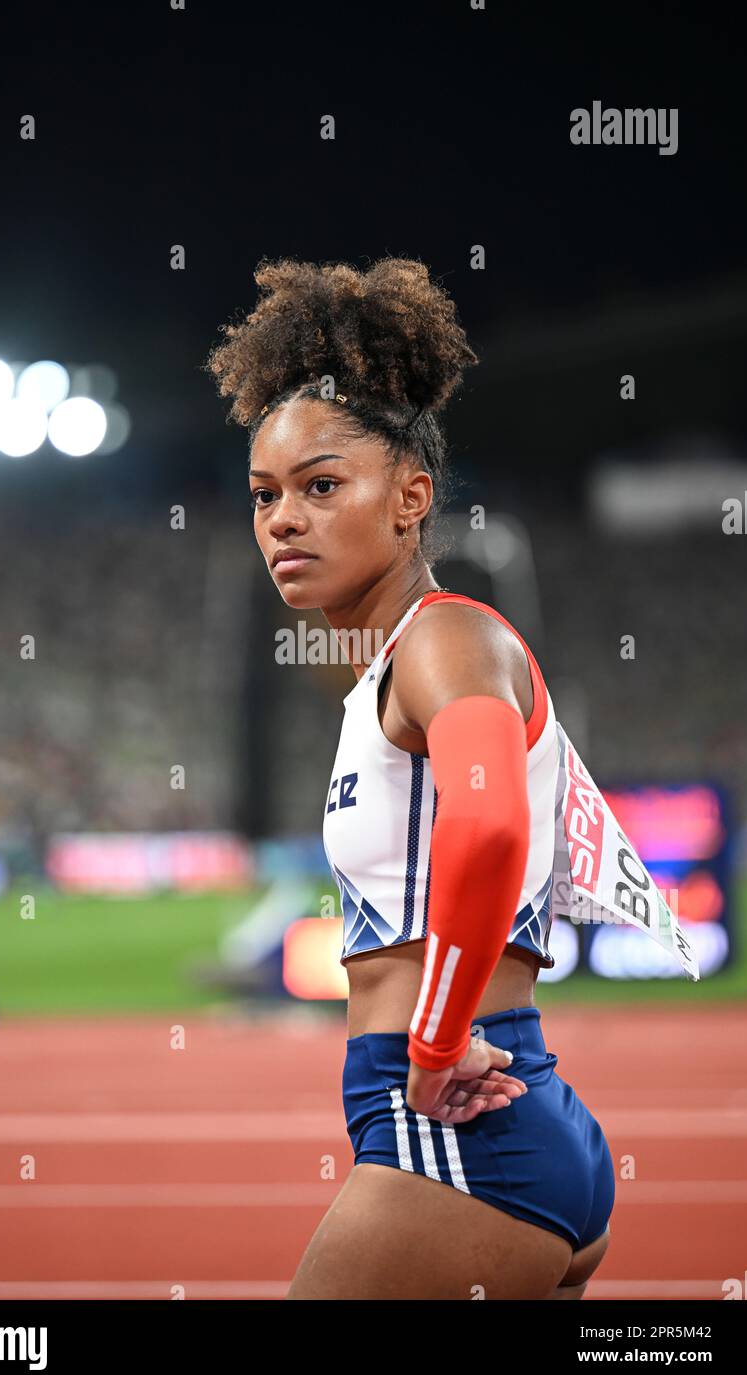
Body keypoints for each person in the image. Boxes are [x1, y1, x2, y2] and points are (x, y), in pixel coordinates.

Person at [205, 255, 615, 1300]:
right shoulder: (394, 669)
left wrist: (430, 1043)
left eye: (320, 485)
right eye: (264, 495)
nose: (281, 520)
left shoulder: (445, 641)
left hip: (451, 1123)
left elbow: (484, 832)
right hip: (507, 1116)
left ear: (410, 498)